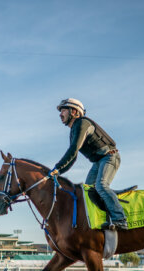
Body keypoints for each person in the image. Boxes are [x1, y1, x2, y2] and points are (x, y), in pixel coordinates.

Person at [48, 98, 128, 230]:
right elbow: (73, 157)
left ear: (74, 112)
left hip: (109, 157)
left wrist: (57, 168)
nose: (60, 114)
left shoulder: (82, 123)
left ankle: (120, 219)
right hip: (98, 162)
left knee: (101, 186)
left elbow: (73, 151)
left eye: (63, 110)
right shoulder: (74, 129)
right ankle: (104, 218)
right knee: (88, 191)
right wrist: (59, 172)